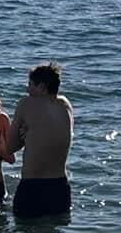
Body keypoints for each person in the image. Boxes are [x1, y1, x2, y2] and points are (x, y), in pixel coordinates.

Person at [6, 62, 74, 218]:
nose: (27, 89)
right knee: (53, 231)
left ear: (42, 87)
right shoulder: (65, 105)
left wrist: (25, 137)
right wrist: (32, 134)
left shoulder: (26, 103)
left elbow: (9, 147)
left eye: (30, 84)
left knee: (25, 232)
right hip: (60, 187)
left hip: (33, 186)